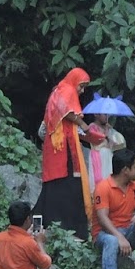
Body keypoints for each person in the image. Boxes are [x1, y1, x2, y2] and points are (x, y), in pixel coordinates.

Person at [33, 67, 92, 236]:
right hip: (62, 148)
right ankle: (75, 232)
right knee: (70, 186)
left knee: (53, 187)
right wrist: (82, 124)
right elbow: (64, 110)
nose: (81, 90)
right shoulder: (67, 89)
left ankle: (38, 226)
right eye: (81, 86)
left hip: (57, 147)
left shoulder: (60, 90)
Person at [85, 113, 126, 186]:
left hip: (108, 155)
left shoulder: (108, 127)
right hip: (98, 155)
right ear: (96, 115)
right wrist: (105, 136)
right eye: (104, 115)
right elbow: (96, 142)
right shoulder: (92, 127)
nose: (107, 117)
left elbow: (114, 143)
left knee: (108, 174)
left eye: (107, 115)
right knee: (99, 178)